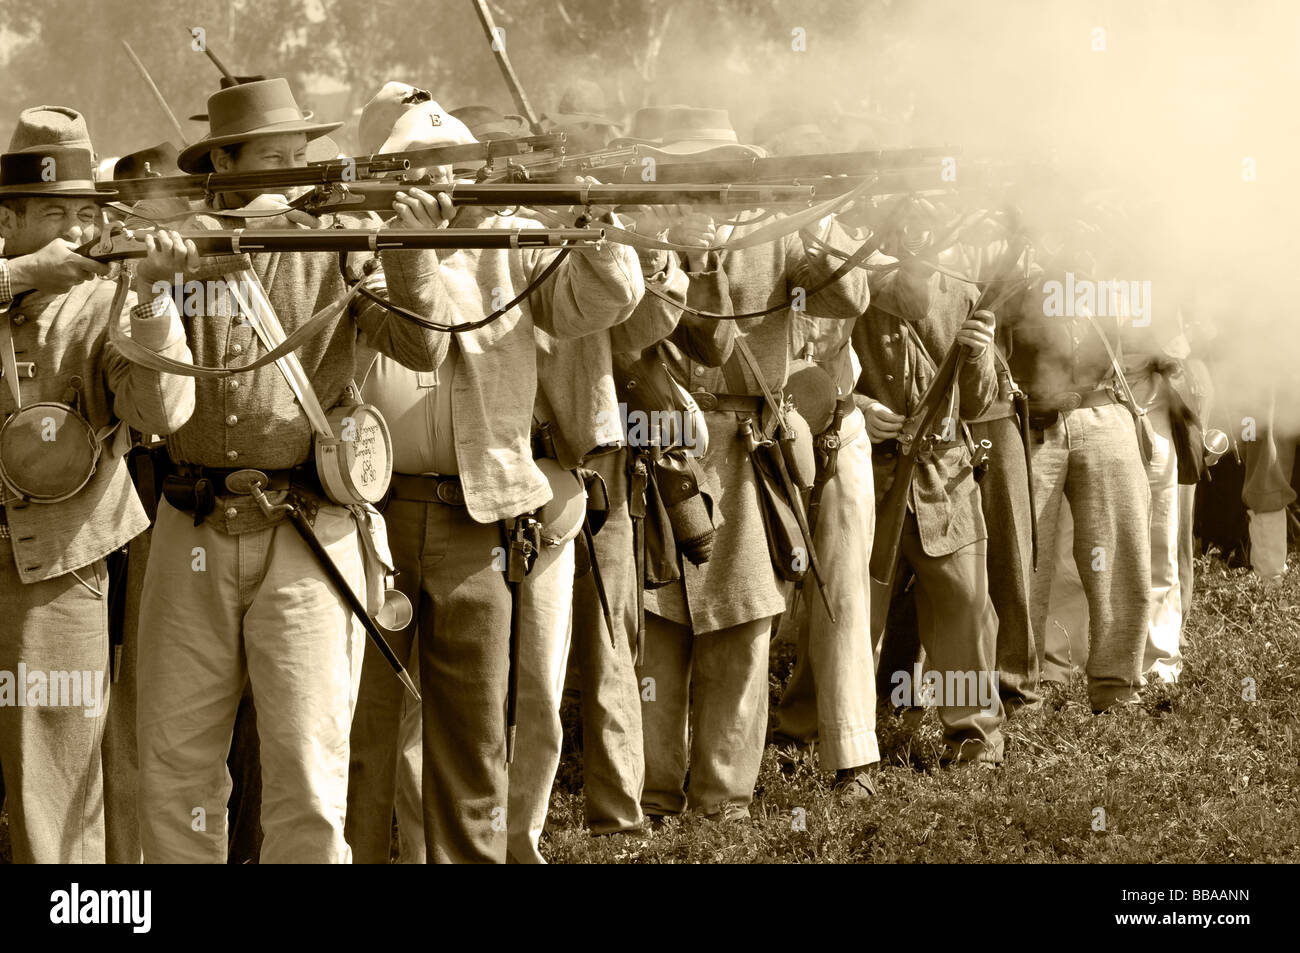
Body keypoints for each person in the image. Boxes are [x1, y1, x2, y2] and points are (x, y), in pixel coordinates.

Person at [132, 77, 454, 864]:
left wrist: (408, 254)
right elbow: (153, 409)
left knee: (310, 775)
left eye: (296, 158)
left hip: (309, 526)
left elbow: (425, 348)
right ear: (227, 165)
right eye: (270, 160)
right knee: (175, 767)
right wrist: (151, 291)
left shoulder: (341, 240)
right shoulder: (180, 245)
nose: (290, 174)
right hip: (193, 519)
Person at [343, 86, 644, 864]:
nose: (443, 183)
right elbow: (424, 339)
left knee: (474, 742)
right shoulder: (361, 241)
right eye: (422, 169)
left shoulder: (512, 238)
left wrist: (593, 221)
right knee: (365, 738)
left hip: (480, 518)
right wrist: (411, 244)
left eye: (452, 166)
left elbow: (603, 299)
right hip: (369, 514)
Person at [627, 107, 873, 820]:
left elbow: (850, 296)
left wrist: (811, 223)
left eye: (712, 168)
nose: (700, 182)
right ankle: (653, 794)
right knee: (658, 625)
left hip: (742, 448)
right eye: (685, 169)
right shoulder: (637, 233)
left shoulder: (776, 227)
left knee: (742, 627)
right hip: (656, 441)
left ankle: (724, 804)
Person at [0, 134, 196, 863]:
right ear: (9, 223)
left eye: (86, 215)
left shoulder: (109, 300)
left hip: (58, 565)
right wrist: (18, 274)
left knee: (57, 791)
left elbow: (161, 412)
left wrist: (149, 295)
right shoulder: (11, 272)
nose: (78, 234)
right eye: (55, 214)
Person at [852, 201, 1006, 765]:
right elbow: (815, 366)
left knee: (965, 604)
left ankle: (972, 737)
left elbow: (979, 399)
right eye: (906, 216)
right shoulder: (854, 285)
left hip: (945, 474)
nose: (918, 229)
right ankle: (814, 735)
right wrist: (858, 405)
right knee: (850, 609)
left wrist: (980, 355)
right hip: (872, 470)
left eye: (928, 219)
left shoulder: (962, 291)